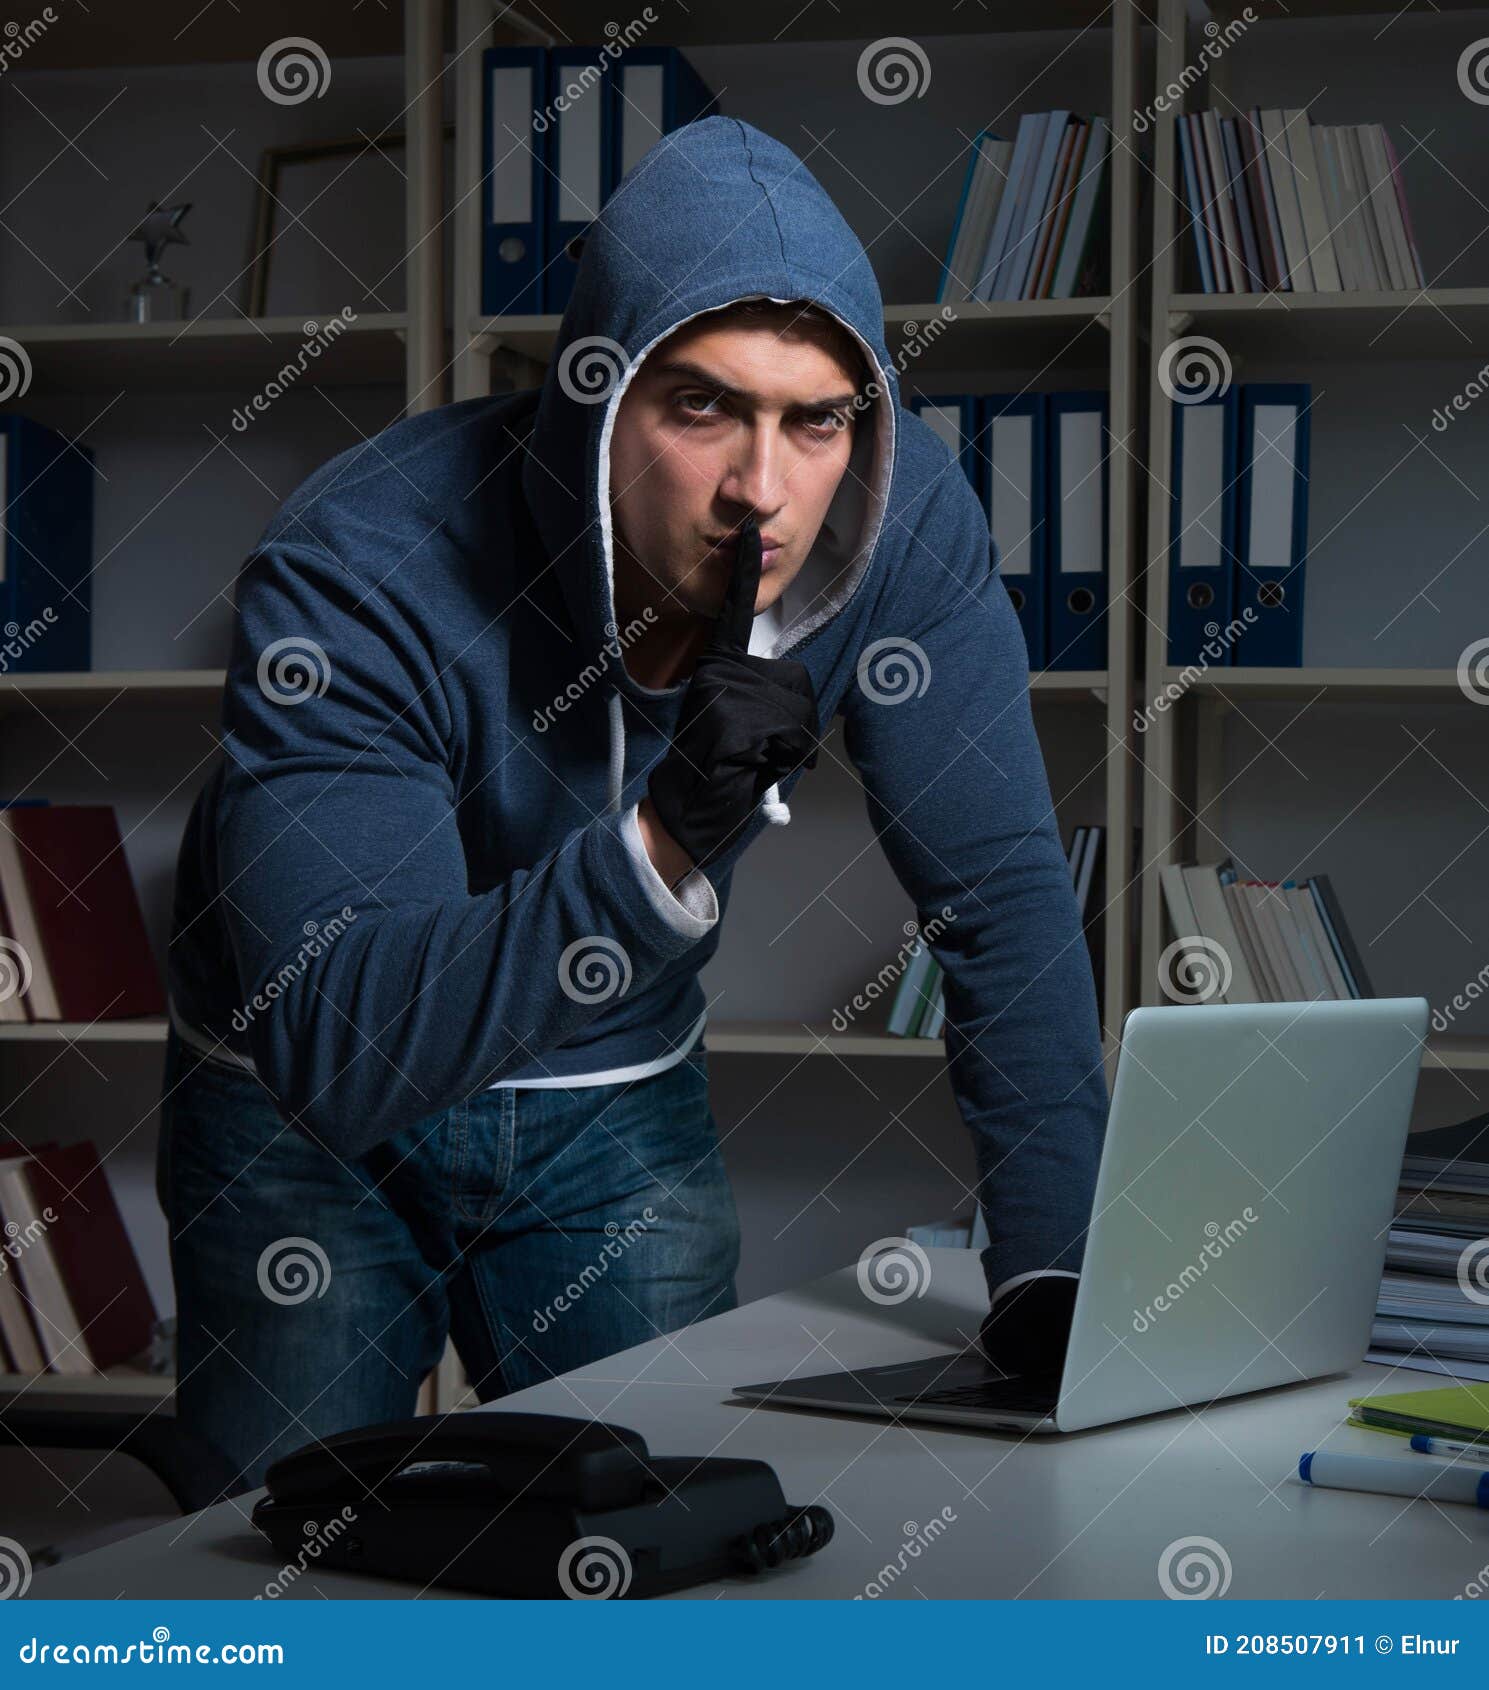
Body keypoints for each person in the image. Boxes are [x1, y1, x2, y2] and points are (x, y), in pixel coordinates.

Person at [159, 116, 1108, 1490]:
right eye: (701, 406)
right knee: (289, 1572)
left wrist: (1053, 1273)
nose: (759, 493)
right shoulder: (361, 560)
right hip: (307, 1113)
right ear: (593, 403)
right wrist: (664, 838)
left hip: (611, 1089)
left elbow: (1002, 897)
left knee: (662, 1549)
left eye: (815, 419)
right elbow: (342, 1039)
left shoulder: (901, 531)